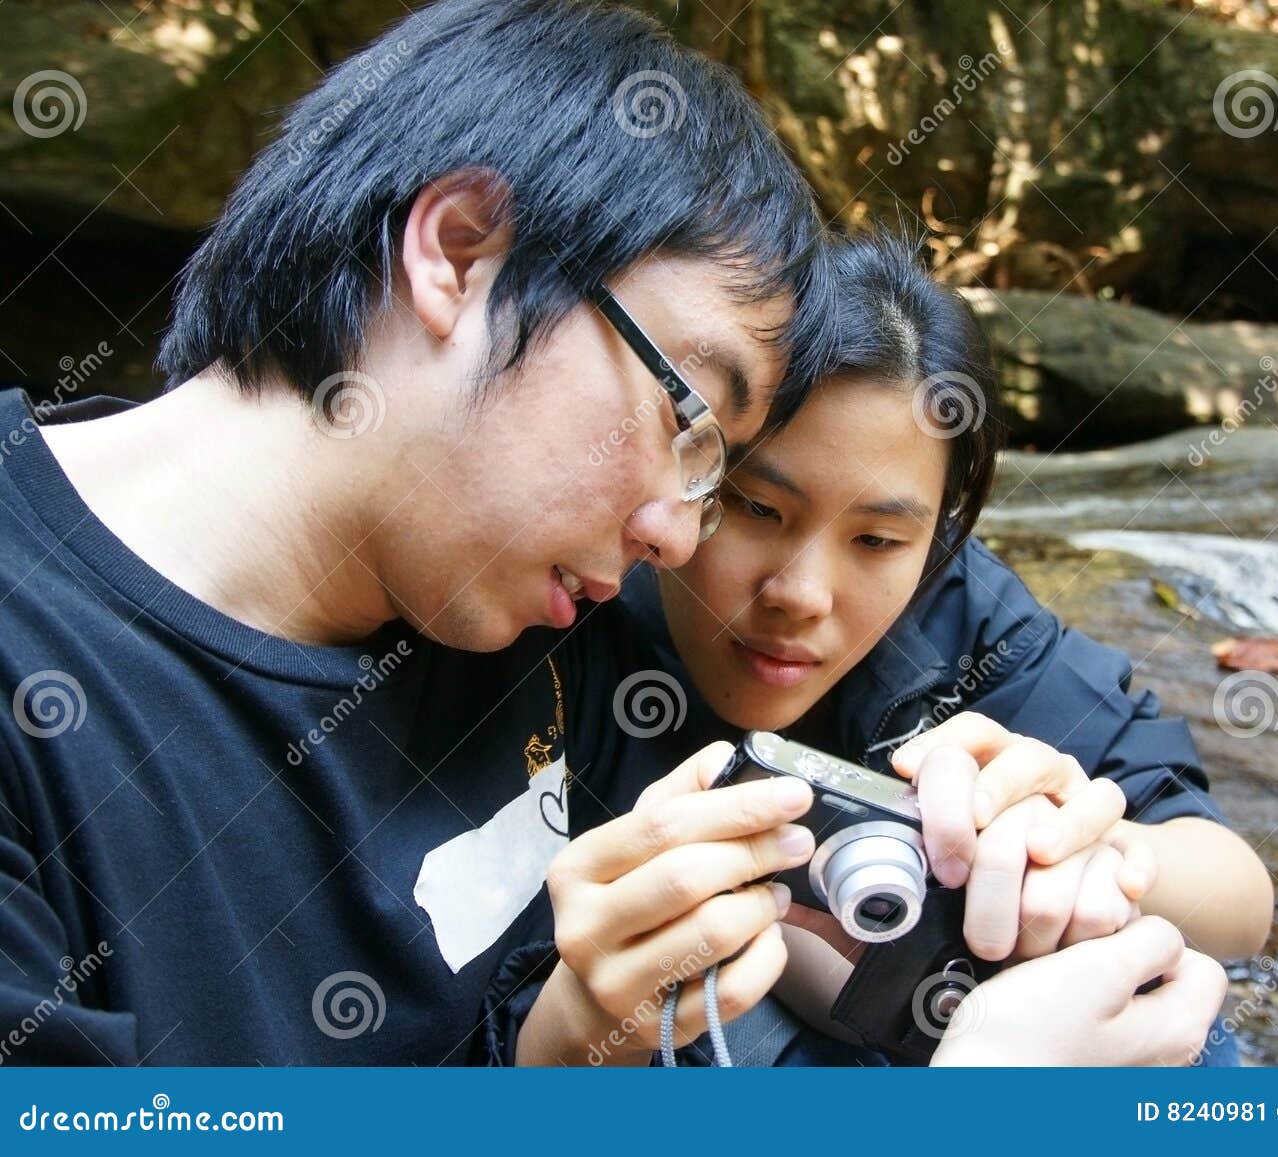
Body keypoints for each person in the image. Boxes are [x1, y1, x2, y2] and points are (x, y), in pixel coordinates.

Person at [0, 0, 834, 1064]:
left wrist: (1001, 832)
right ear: (457, 250)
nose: (677, 538)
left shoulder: (526, 604)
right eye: (689, 420)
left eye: (716, 480)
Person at [491, 233, 1263, 1066]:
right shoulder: (563, 597)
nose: (802, 593)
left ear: (939, 535)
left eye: (879, 538)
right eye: (756, 507)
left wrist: (1095, 851)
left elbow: (1239, 899)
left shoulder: (960, 612)